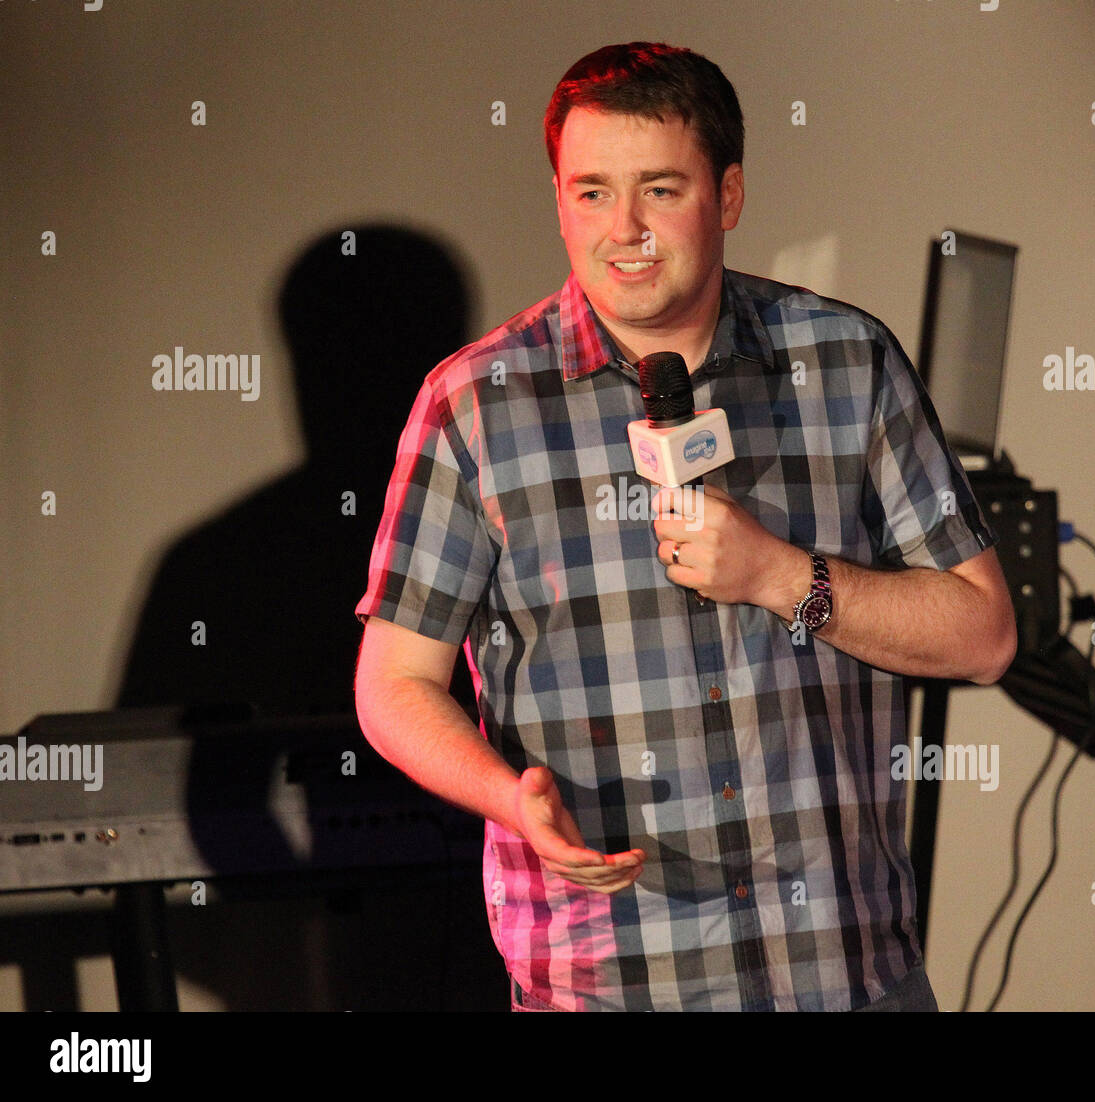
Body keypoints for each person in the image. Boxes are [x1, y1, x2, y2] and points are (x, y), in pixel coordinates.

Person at [353, 41, 1016, 1012]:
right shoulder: (474, 405)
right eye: (589, 193)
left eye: (659, 190)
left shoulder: (843, 361)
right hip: (617, 981)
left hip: (843, 974)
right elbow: (391, 686)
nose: (622, 230)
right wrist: (509, 799)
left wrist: (781, 575)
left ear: (728, 194)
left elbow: (984, 634)